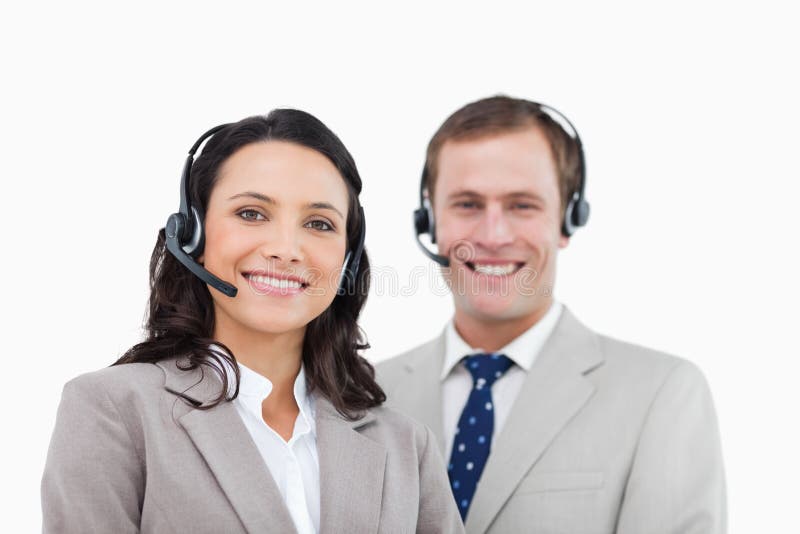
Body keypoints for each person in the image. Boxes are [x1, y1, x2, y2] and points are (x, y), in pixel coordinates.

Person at [42, 109, 464, 534]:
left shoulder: (407, 446)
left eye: (319, 224)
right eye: (251, 213)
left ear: (347, 262)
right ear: (194, 235)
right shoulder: (112, 411)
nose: (286, 249)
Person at [377, 96, 726, 533]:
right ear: (428, 221)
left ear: (567, 219)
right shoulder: (363, 395)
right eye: (467, 204)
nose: (493, 235)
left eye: (522, 205)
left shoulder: (662, 395)